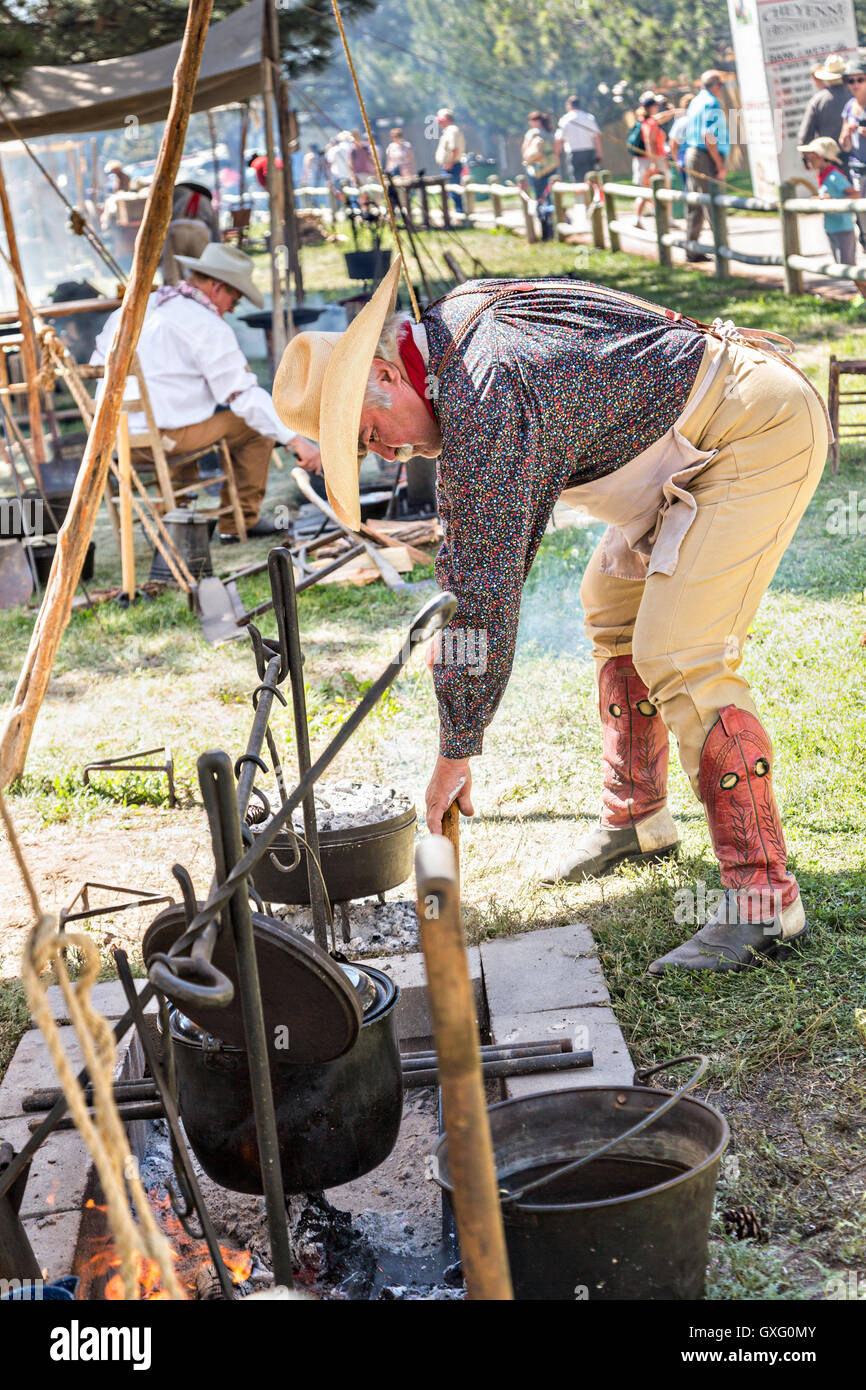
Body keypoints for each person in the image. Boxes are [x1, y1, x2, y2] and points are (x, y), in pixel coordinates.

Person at [273, 262, 829, 976]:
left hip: (751, 431)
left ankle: (764, 901)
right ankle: (638, 819)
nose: (386, 452)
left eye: (369, 431)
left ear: (384, 374)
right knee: (611, 605)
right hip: (683, 453)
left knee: (680, 653)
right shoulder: (449, 334)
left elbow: (479, 589)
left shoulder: (482, 393)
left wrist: (457, 746)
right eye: (363, 450)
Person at [91, 244, 321, 543]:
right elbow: (243, 396)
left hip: (112, 436)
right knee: (253, 427)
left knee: (186, 416)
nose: (233, 308)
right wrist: (297, 441)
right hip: (161, 438)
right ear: (217, 287)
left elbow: (98, 364)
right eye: (234, 299)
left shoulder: (139, 306)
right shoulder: (207, 326)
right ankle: (238, 522)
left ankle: (179, 518)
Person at [798, 137, 866, 297]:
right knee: (845, 266)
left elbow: (855, 195)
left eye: (811, 156)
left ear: (822, 156)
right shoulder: (824, 176)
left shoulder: (834, 175)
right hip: (831, 227)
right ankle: (862, 295)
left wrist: (832, 201)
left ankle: (863, 294)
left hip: (843, 227)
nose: (809, 160)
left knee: (847, 267)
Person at [683, 70, 729, 261]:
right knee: (712, 202)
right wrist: (719, 164)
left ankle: (691, 247)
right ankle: (722, 249)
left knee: (696, 202)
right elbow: (708, 136)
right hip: (705, 156)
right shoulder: (711, 103)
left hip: (692, 153)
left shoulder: (696, 101)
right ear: (717, 85)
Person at [161, 181, 220, 286]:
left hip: (176, 229)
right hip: (200, 231)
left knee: (172, 269)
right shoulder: (206, 201)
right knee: (202, 270)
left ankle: (172, 290)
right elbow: (215, 229)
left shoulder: (177, 193)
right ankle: (203, 291)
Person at [838, 52, 866, 251]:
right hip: (858, 170)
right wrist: (847, 135)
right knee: (862, 218)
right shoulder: (849, 107)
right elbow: (844, 146)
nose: (855, 84)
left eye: (860, 79)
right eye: (851, 80)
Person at [797, 53, 850, 155]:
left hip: (830, 158)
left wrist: (805, 157)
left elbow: (805, 135)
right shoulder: (857, 95)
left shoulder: (818, 100)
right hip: (859, 157)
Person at [521, 111, 559, 240]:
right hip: (551, 168)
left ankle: (545, 232)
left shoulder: (532, 133)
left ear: (535, 121)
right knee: (550, 198)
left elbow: (525, 152)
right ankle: (554, 228)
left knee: (539, 199)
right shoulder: (549, 133)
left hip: (536, 172)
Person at [632, 93, 666, 227]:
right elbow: (649, 142)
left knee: (646, 191)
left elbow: (663, 117)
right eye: (656, 105)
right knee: (649, 191)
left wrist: (676, 111)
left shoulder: (642, 119)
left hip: (641, 161)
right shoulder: (650, 122)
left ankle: (642, 218)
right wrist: (654, 162)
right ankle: (659, 220)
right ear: (651, 107)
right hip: (650, 160)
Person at [555, 95, 602, 183]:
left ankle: (581, 197)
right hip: (589, 153)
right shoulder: (589, 117)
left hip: (574, 154)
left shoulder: (564, 119)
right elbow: (596, 137)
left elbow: (559, 140)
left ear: (569, 105)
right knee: (591, 180)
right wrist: (599, 153)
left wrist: (556, 155)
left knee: (578, 181)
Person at [435, 108, 466, 214]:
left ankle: (460, 213)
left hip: (452, 166)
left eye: (440, 119)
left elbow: (454, 149)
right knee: (449, 191)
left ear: (447, 119)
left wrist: (450, 163)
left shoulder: (452, 130)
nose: (438, 122)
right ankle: (456, 214)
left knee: (454, 191)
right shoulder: (448, 131)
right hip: (449, 165)